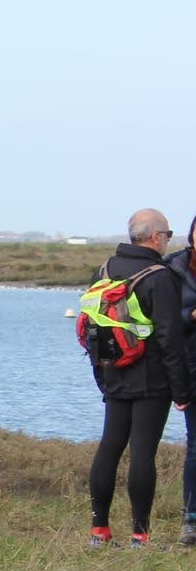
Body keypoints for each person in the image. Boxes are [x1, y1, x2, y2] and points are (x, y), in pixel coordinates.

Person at [83, 209, 191, 549]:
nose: (168, 240)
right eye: (168, 234)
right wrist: (182, 390)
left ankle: (99, 532)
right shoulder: (159, 276)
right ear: (156, 237)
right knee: (143, 454)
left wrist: (101, 373)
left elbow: (91, 328)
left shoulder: (104, 270)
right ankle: (139, 536)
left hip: (113, 373)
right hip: (152, 380)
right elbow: (170, 339)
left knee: (109, 447)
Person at [169, 215, 196, 546]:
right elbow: (163, 316)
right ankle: (191, 521)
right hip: (192, 364)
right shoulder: (174, 269)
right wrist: (190, 316)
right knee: (195, 445)